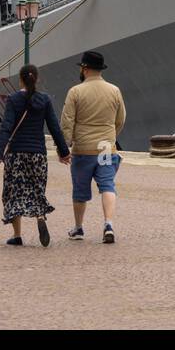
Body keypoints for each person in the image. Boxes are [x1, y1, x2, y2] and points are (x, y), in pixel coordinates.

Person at [0, 64, 71, 246]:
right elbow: (54, 127)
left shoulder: (13, 99)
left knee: (13, 193)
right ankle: (40, 217)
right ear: (37, 79)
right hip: (38, 154)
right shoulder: (44, 100)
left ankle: (17, 235)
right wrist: (64, 152)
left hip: (16, 155)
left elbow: (6, 126)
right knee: (36, 189)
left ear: (20, 80)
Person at [60, 50, 126, 243]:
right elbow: (120, 119)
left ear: (85, 69)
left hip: (83, 149)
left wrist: (65, 146)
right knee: (107, 185)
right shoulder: (114, 90)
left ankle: (79, 228)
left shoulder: (75, 91)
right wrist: (110, 137)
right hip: (106, 148)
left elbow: (67, 121)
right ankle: (108, 224)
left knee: (80, 191)